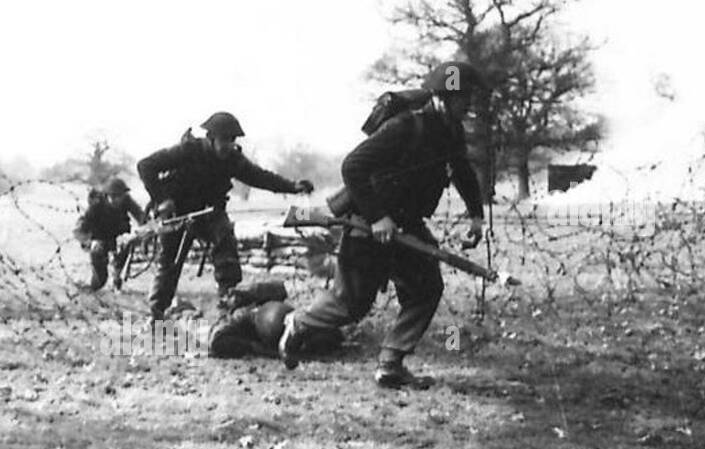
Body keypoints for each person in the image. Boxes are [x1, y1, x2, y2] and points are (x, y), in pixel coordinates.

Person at [278, 61, 489, 388]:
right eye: (465, 96)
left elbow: (461, 169)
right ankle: (299, 323)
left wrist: (476, 214)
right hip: (368, 221)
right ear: (445, 97)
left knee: (426, 288)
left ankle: (391, 363)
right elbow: (353, 166)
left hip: (408, 223)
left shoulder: (450, 130)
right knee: (351, 305)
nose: (470, 103)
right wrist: (378, 217)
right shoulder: (407, 126)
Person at [136, 112, 314, 320]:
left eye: (232, 140)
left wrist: (293, 187)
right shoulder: (188, 151)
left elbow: (260, 177)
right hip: (178, 213)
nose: (228, 145)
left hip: (210, 213)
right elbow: (145, 165)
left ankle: (230, 303)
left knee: (225, 241)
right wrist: (162, 199)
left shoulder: (232, 160)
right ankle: (157, 312)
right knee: (169, 263)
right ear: (210, 138)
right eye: (224, 140)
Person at [207, 279, 343, 359]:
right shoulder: (237, 317)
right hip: (270, 325)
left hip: (271, 322)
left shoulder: (242, 312)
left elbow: (282, 288)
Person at [73, 177, 147, 291]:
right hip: (99, 239)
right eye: (113, 196)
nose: (117, 200)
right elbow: (79, 230)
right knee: (100, 279)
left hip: (119, 236)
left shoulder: (126, 200)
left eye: (120, 196)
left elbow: (140, 215)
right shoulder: (95, 206)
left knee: (125, 247)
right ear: (106, 196)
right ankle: (95, 284)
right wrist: (90, 242)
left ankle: (117, 276)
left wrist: (148, 226)